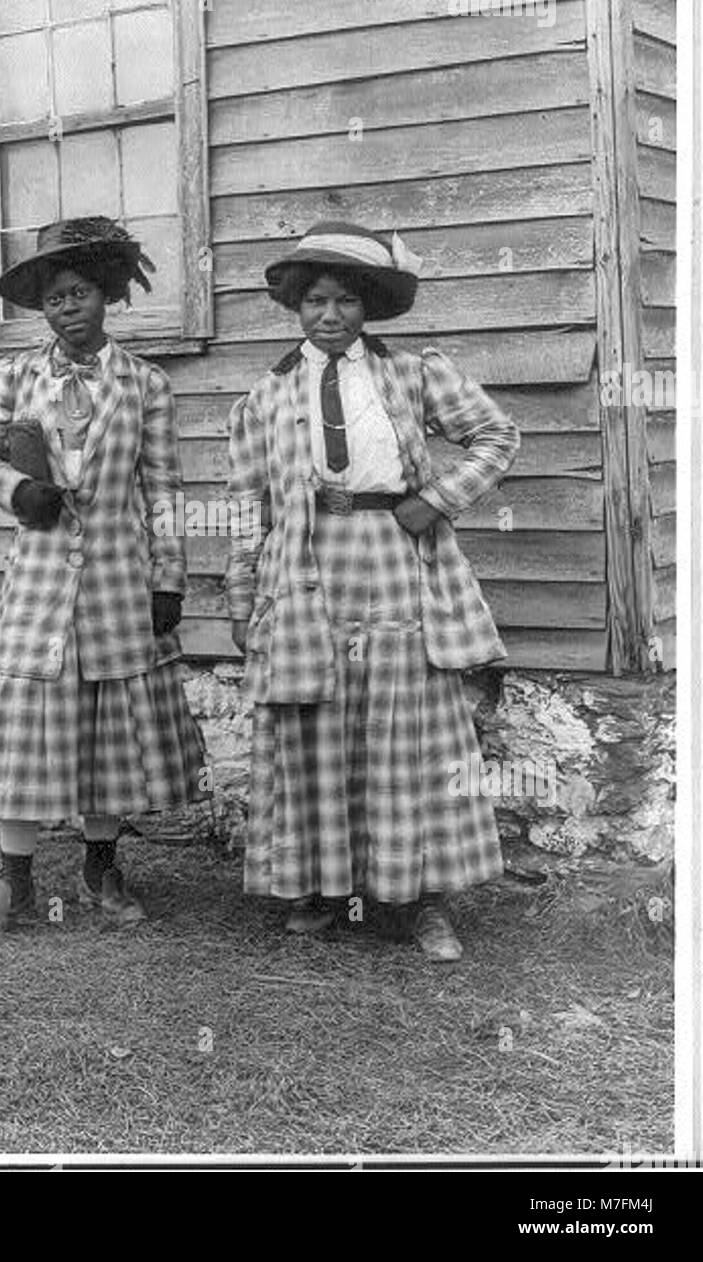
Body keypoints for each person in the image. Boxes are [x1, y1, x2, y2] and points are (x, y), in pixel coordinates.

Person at [225, 220, 520, 960]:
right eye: (316, 301)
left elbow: (496, 436)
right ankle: (323, 891)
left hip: (395, 556)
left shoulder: (412, 374)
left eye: (346, 301)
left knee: (406, 734)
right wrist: (241, 598)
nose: (330, 316)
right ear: (296, 306)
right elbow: (246, 506)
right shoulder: (264, 398)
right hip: (303, 568)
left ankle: (419, 901)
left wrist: (438, 499)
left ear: (368, 307)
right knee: (315, 731)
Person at [0, 216, 204, 934]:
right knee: (25, 731)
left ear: (109, 296)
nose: (69, 308)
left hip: (116, 579)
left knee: (107, 731)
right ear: (43, 307)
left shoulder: (145, 386)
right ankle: (15, 884)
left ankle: (102, 867)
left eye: (82, 293)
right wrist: (16, 491)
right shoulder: (13, 377)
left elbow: (164, 489)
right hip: (38, 578)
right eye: (55, 297)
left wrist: (169, 580)